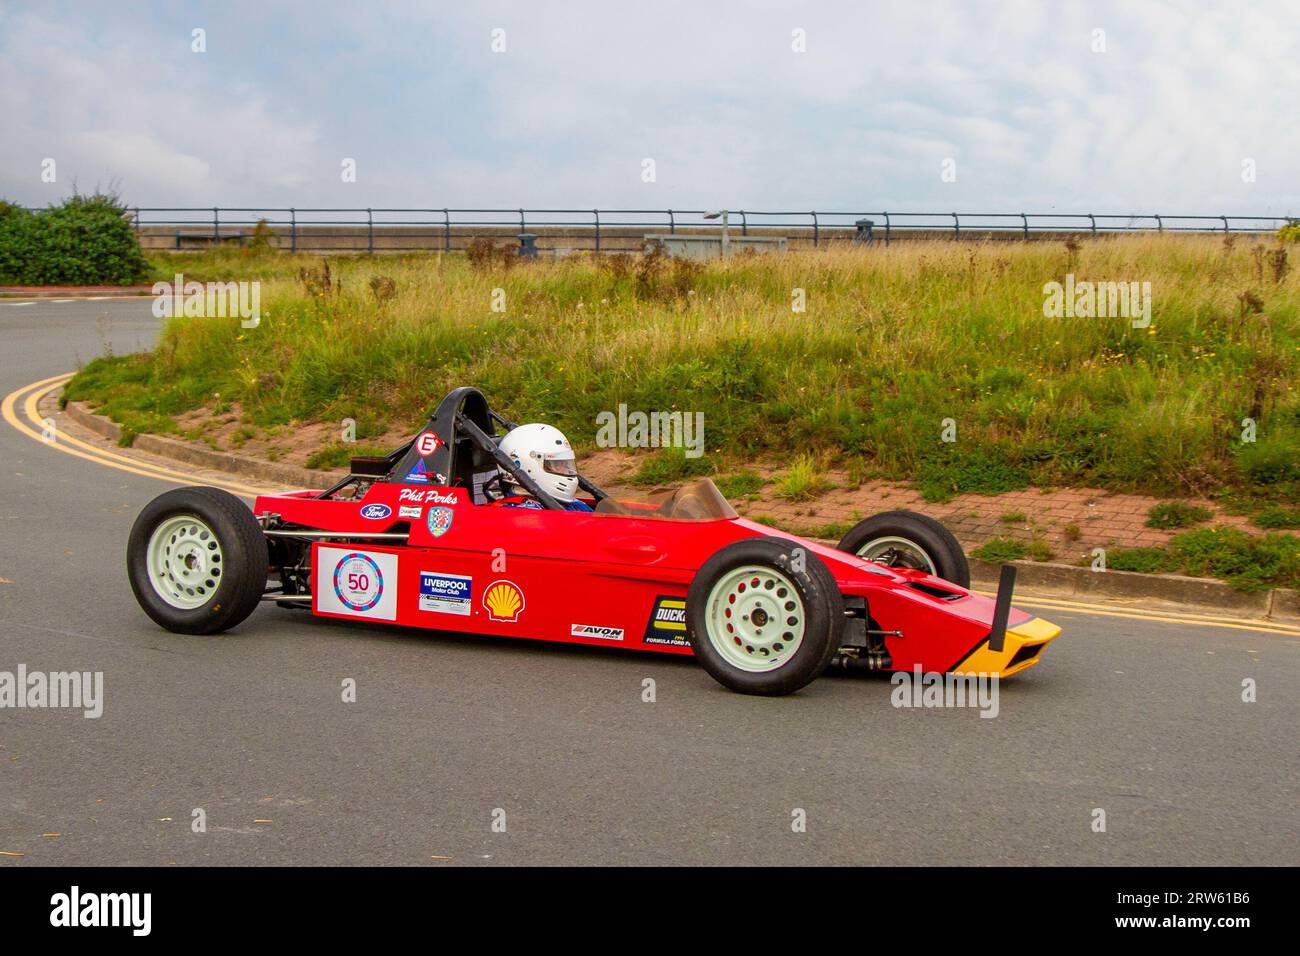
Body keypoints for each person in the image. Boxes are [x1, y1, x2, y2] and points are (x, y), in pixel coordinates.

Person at [494, 423, 593, 512]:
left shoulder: (573, 504)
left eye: (567, 464)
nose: (567, 471)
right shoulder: (519, 514)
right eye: (558, 465)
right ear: (527, 466)